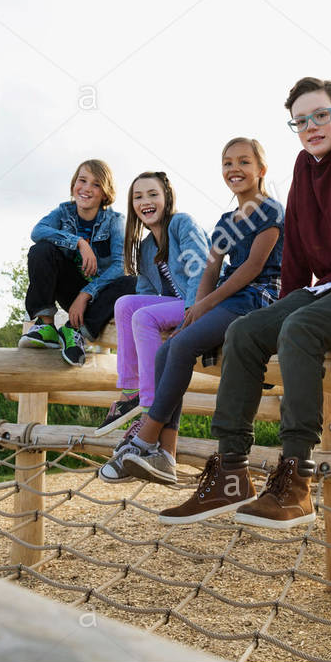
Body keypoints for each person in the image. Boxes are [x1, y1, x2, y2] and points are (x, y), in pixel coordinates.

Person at [158, 78, 331, 526]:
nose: (311, 126)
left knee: (300, 329)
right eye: (301, 120)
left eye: (321, 115)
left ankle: (296, 481)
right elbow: (297, 255)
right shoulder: (304, 167)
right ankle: (230, 471)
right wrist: (277, 314)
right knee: (245, 331)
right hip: (325, 285)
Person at [113, 139, 285, 485]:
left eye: (243, 162)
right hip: (229, 298)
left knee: (181, 347)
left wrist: (206, 304)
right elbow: (209, 269)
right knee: (167, 350)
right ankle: (167, 455)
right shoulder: (225, 221)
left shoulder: (270, 211)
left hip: (260, 297)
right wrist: (196, 310)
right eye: (227, 163)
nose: (234, 169)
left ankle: (145, 438)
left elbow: (252, 267)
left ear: (261, 170)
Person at [96, 171, 210, 482]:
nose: (145, 201)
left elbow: (202, 271)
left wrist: (188, 317)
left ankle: (148, 408)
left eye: (152, 194)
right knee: (125, 304)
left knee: (143, 316)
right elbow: (145, 296)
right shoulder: (146, 248)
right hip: (173, 310)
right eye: (138, 197)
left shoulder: (182, 224)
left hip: (204, 302)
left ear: (167, 197)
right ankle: (131, 390)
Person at [18, 159, 127, 366]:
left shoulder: (115, 221)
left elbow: (119, 265)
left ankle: (74, 331)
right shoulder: (63, 212)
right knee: (41, 249)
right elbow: (37, 232)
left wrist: (86, 293)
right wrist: (78, 242)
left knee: (132, 281)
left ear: (105, 193)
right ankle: (46, 325)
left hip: (98, 297)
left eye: (96, 184)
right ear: (73, 184)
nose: (86, 188)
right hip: (68, 288)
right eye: (82, 180)